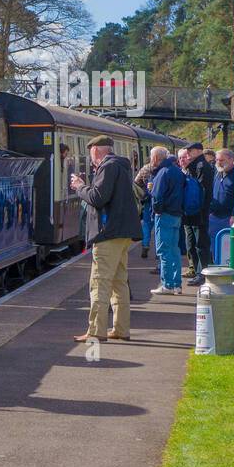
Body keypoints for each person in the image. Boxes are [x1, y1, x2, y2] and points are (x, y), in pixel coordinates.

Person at [70, 135, 142, 342]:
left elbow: (97, 198)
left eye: (91, 154)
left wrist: (80, 187)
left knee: (99, 283)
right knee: (119, 282)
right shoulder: (122, 166)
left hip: (108, 234)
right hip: (123, 234)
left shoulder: (107, 168)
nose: (91, 160)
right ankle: (121, 328)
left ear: (96, 151)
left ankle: (96, 331)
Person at [149, 145, 185, 295]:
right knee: (175, 250)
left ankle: (167, 284)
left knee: (164, 251)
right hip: (177, 215)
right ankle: (177, 284)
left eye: (151, 157)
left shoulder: (163, 173)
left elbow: (157, 196)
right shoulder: (177, 171)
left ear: (156, 158)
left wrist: (157, 212)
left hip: (164, 216)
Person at [183, 142, 214, 286]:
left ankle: (202, 273)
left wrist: (200, 210)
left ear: (199, 151)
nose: (188, 153)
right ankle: (198, 272)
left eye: (191, 150)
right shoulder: (196, 165)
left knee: (200, 244)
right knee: (193, 243)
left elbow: (202, 191)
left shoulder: (201, 166)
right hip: (193, 212)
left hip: (198, 212)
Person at [133, 157, 156, 260]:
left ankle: (145, 245)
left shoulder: (145, 169)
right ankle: (157, 250)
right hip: (158, 200)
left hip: (147, 200)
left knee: (147, 224)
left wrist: (142, 193)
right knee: (157, 227)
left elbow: (136, 183)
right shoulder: (162, 168)